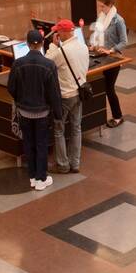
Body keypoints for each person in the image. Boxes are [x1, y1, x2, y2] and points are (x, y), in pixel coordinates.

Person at [8, 29, 62, 190]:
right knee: (41, 144)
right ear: (43, 44)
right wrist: (58, 114)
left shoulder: (18, 64)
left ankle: (32, 176)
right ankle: (41, 178)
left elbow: (11, 88)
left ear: (27, 44)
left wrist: (20, 100)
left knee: (29, 143)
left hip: (24, 112)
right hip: (43, 113)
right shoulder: (49, 65)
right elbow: (54, 93)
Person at [49, 18, 90, 175]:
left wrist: (53, 45)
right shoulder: (83, 47)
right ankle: (75, 163)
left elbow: (47, 62)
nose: (56, 33)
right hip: (79, 94)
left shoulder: (62, 52)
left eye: (58, 31)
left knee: (59, 129)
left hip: (65, 96)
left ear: (64, 33)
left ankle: (63, 165)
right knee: (76, 128)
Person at [91, 0, 128, 127]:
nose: (100, 10)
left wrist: (110, 50)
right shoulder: (102, 18)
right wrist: (94, 45)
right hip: (102, 55)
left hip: (113, 58)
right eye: (99, 6)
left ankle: (118, 117)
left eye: (102, 7)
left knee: (109, 89)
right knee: (99, 86)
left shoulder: (118, 21)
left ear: (110, 5)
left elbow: (124, 42)